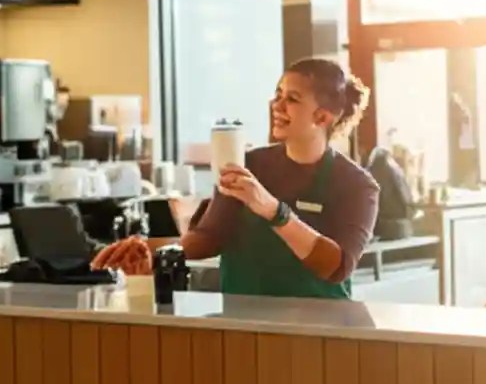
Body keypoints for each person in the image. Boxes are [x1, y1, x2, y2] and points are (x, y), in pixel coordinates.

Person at [92, 58, 379, 299]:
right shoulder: (249, 164)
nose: (276, 105)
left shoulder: (357, 186)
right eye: (278, 94)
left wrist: (272, 210)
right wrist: (151, 251)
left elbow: (336, 267)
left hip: (318, 330)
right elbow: (210, 237)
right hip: (243, 321)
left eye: (292, 99)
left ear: (323, 117)